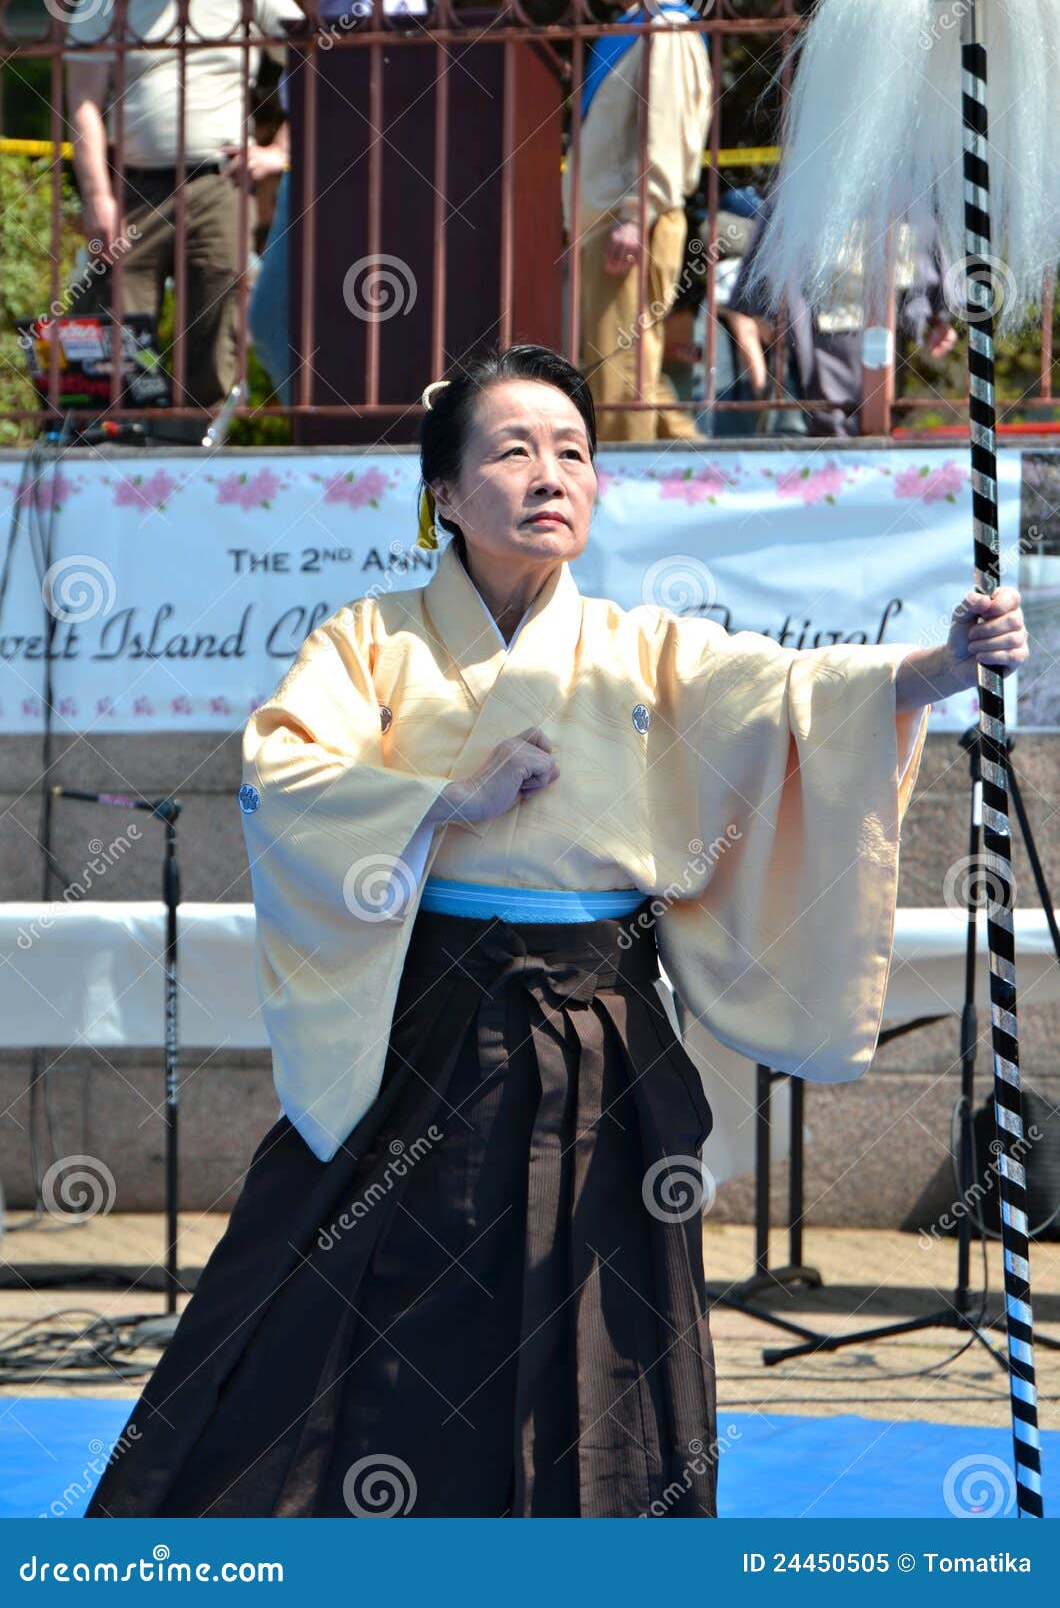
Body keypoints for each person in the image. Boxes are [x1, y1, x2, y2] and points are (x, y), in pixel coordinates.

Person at [82, 343, 1027, 1518]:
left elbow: (791, 699)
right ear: (442, 489)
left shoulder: (645, 647)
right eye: (513, 449)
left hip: (599, 1025)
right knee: (348, 1284)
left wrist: (939, 665)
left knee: (594, 1306)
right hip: (422, 1018)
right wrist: (440, 798)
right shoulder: (371, 639)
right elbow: (285, 776)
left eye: (573, 452)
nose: (550, 474)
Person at [64, 0, 302, 430]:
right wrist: (97, 194)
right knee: (116, 325)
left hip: (219, 183)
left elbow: (319, 64)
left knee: (216, 319)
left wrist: (278, 151)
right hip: (132, 185)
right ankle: (118, 447)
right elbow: (81, 101)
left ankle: (199, 453)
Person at [248, 0, 429, 404]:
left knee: (277, 317)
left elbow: (387, 23)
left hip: (349, 142)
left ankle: (327, 437)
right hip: (337, 137)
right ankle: (329, 436)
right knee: (304, 318)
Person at [564, 0, 712, 442]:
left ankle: (626, 499)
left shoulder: (665, 28)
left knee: (619, 376)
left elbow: (665, 132)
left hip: (628, 227)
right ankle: (708, 480)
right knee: (625, 368)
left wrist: (635, 215)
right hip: (614, 223)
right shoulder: (636, 27)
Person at [721, 196, 959, 436]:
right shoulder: (803, 190)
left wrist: (938, 316)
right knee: (831, 421)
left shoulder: (901, 190)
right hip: (822, 335)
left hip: (881, 334)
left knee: (875, 421)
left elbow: (925, 243)